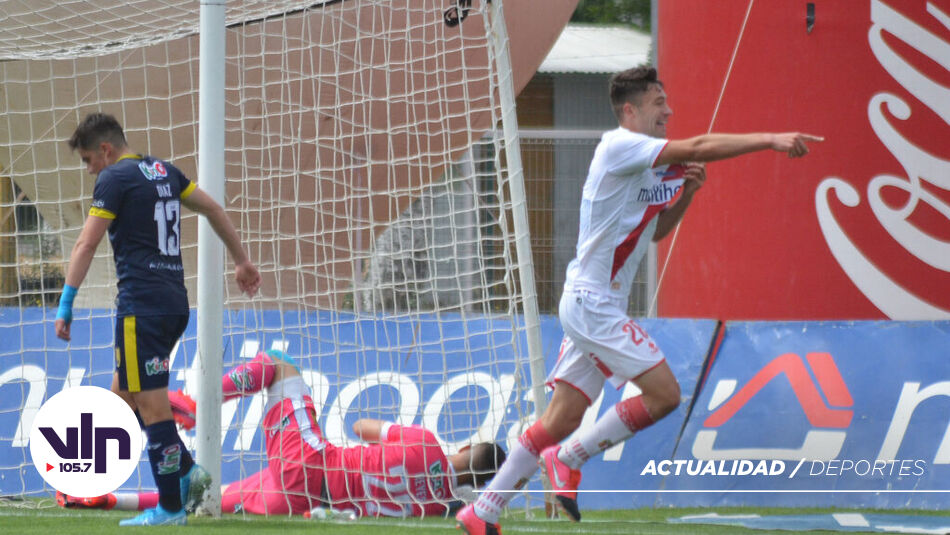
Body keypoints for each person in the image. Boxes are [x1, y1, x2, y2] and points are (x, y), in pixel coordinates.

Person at [455, 66, 823, 534]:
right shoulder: (618, 145)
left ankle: (481, 511)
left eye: (666, 103)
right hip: (593, 305)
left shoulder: (646, 166)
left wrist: (687, 193)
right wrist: (771, 138)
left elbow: (657, 231)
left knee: (561, 417)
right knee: (666, 394)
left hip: (592, 306)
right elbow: (700, 146)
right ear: (630, 111)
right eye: (657, 103)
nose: (668, 111)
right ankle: (568, 459)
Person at [54, 112, 262, 526]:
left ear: (105, 150)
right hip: (174, 303)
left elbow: (85, 243)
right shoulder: (166, 172)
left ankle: (170, 507)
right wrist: (241, 261)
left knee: (150, 408)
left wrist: (66, 303)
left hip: (142, 307)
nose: (90, 169)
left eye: (88, 161)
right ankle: (188, 473)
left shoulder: (114, 179)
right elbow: (213, 208)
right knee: (123, 399)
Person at [57, 349, 507, 519]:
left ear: (465, 446)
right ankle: (106, 498)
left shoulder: (426, 444)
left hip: (314, 463)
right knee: (210, 498)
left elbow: (360, 426)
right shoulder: (438, 509)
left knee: (277, 366)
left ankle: (196, 405)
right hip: (299, 503)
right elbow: (462, 503)